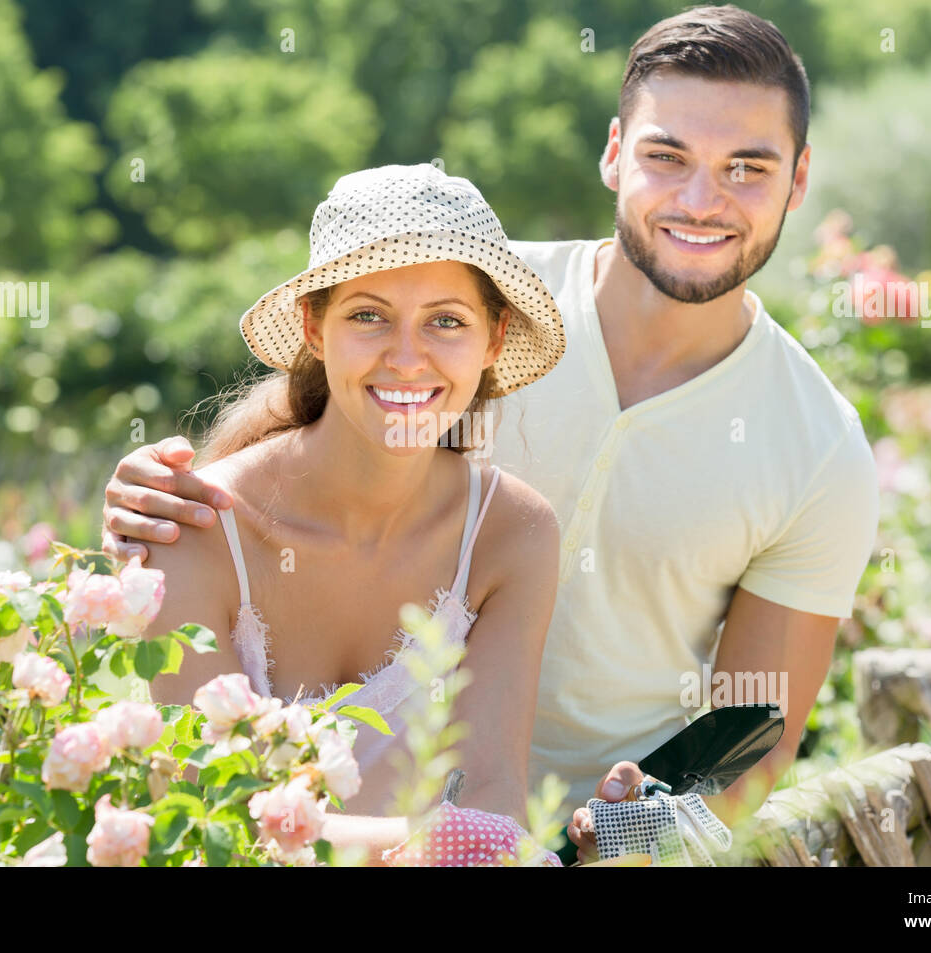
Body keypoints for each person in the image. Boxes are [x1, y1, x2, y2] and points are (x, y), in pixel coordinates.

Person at [104, 5, 880, 865]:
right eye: (667, 155)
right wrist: (170, 487)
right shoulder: (469, 294)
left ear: (799, 179)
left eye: (747, 167)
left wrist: (618, 837)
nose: (702, 200)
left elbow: (749, 740)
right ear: (615, 151)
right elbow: (319, 410)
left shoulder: (818, 449)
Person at [132, 163, 567, 865]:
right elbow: (206, 812)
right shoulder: (197, 527)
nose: (405, 357)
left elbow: (490, 789)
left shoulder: (513, 533)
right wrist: (436, 844)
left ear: (492, 341)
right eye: (368, 315)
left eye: (446, 322)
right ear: (313, 326)